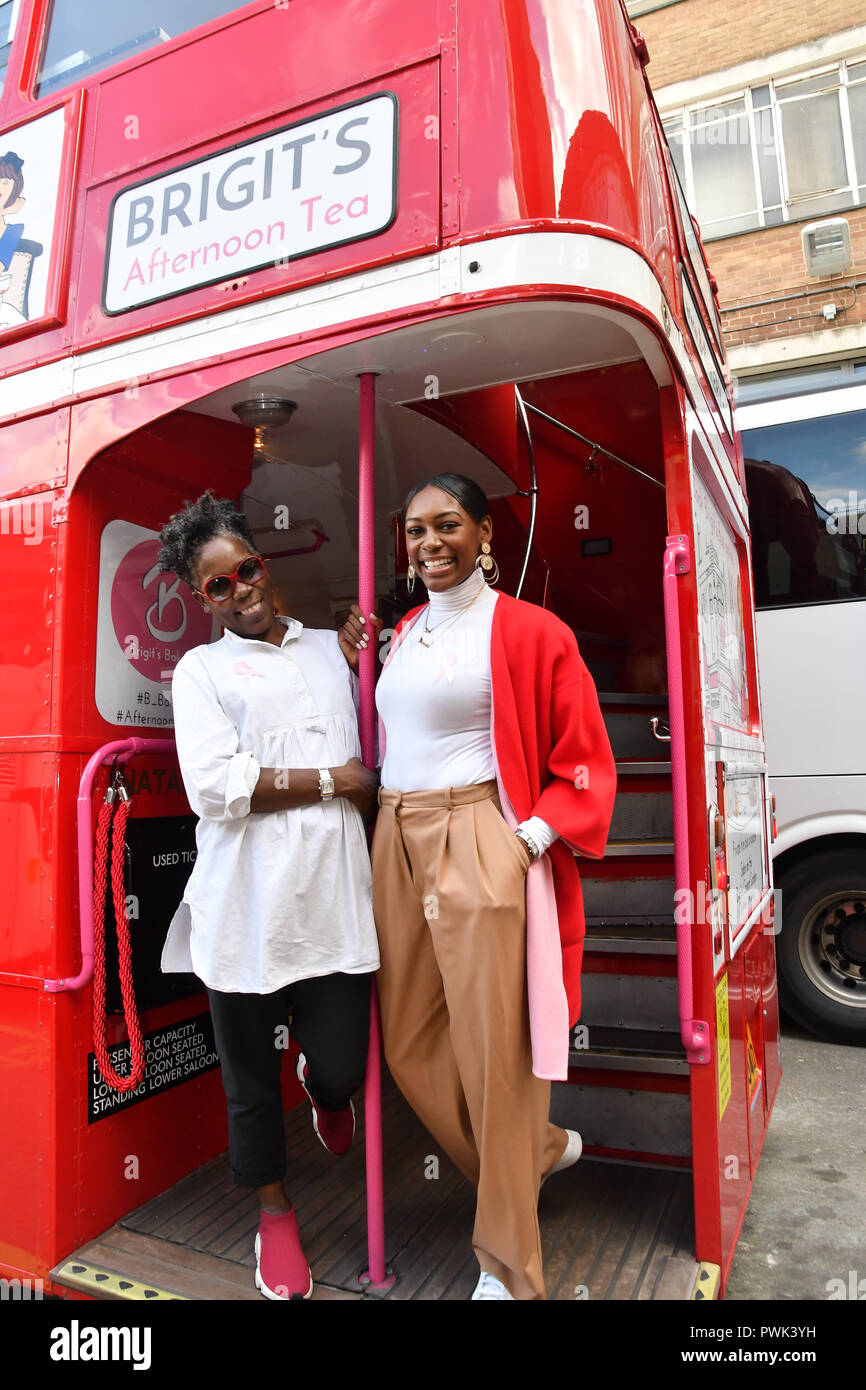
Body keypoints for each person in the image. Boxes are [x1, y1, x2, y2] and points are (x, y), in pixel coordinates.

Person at [341, 472, 616, 1301]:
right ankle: (532, 1153)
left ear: (484, 534)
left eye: (447, 525)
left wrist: (524, 840)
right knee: (410, 1044)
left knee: (498, 1056)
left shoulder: (531, 629)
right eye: (415, 529)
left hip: (477, 833)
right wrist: (361, 644)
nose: (427, 542)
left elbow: (585, 758)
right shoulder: (405, 631)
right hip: (395, 832)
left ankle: (507, 1263)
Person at [157, 491, 379, 1301]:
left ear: (262, 562)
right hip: (243, 907)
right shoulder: (200, 671)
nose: (240, 590)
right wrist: (334, 782)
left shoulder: (331, 647)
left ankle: (324, 1092)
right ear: (200, 595)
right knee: (250, 1083)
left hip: (332, 899)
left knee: (346, 1063)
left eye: (245, 570)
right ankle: (274, 1214)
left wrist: (365, 654)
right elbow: (216, 789)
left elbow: (377, 734)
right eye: (218, 585)